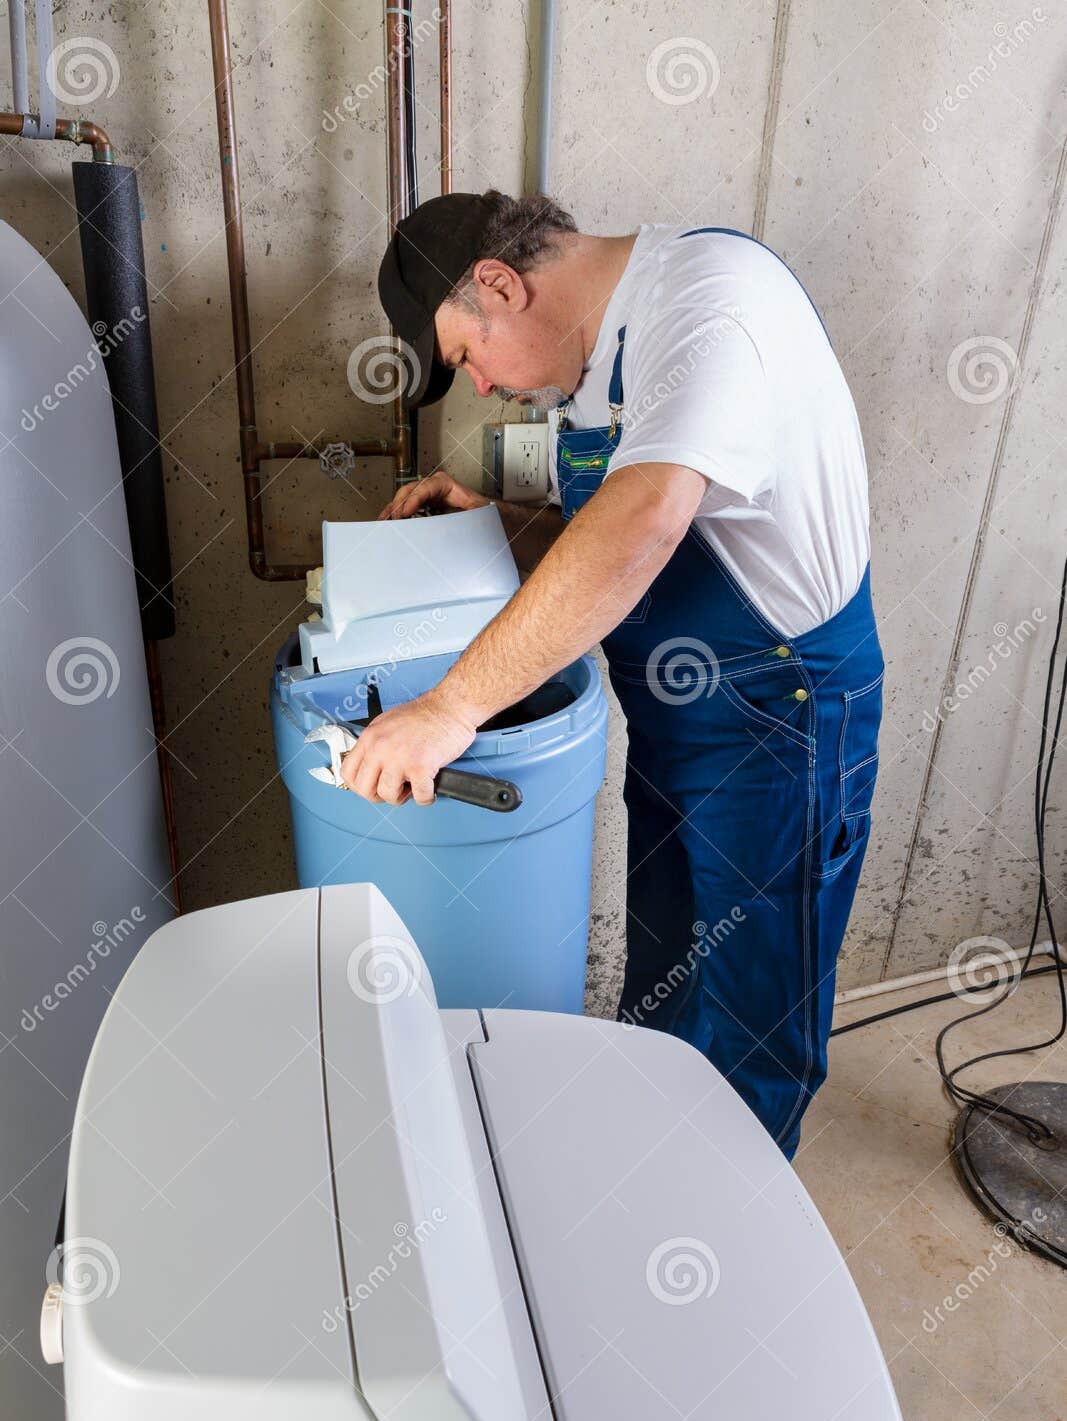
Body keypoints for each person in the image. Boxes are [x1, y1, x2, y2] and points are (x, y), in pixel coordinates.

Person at [341, 190, 882, 1160]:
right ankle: (649, 1190)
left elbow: (642, 521)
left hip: (778, 716)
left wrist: (450, 707)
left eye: (464, 356)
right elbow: (605, 496)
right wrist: (486, 506)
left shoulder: (711, 305)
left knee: (751, 1021)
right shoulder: (595, 351)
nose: (475, 388)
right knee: (668, 973)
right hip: (681, 720)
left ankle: (722, 1246)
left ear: (500, 285)